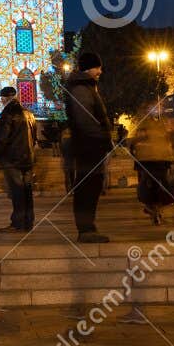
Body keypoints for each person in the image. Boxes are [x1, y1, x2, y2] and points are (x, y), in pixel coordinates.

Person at [62, 53, 113, 243]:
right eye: (97, 67)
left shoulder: (85, 86)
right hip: (89, 145)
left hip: (89, 144)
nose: (100, 71)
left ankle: (88, 228)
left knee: (91, 187)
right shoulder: (81, 88)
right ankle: (86, 230)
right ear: (88, 68)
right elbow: (85, 118)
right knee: (88, 187)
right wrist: (100, 138)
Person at [0, 86, 35, 233]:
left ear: (4, 98)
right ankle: (28, 221)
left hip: (12, 159)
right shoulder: (29, 114)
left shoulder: (8, 114)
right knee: (27, 191)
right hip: (27, 158)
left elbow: (2, 139)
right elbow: (34, 138)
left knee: (17, 192)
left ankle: (17, 223)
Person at [130, 103, 174, 226]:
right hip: (153, 160)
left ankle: (153, 207)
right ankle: (153, 207)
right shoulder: (149, 124)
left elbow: (169, 139)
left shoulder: (159, 123)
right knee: (156, 183)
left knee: (158, 184)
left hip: (156, 159)